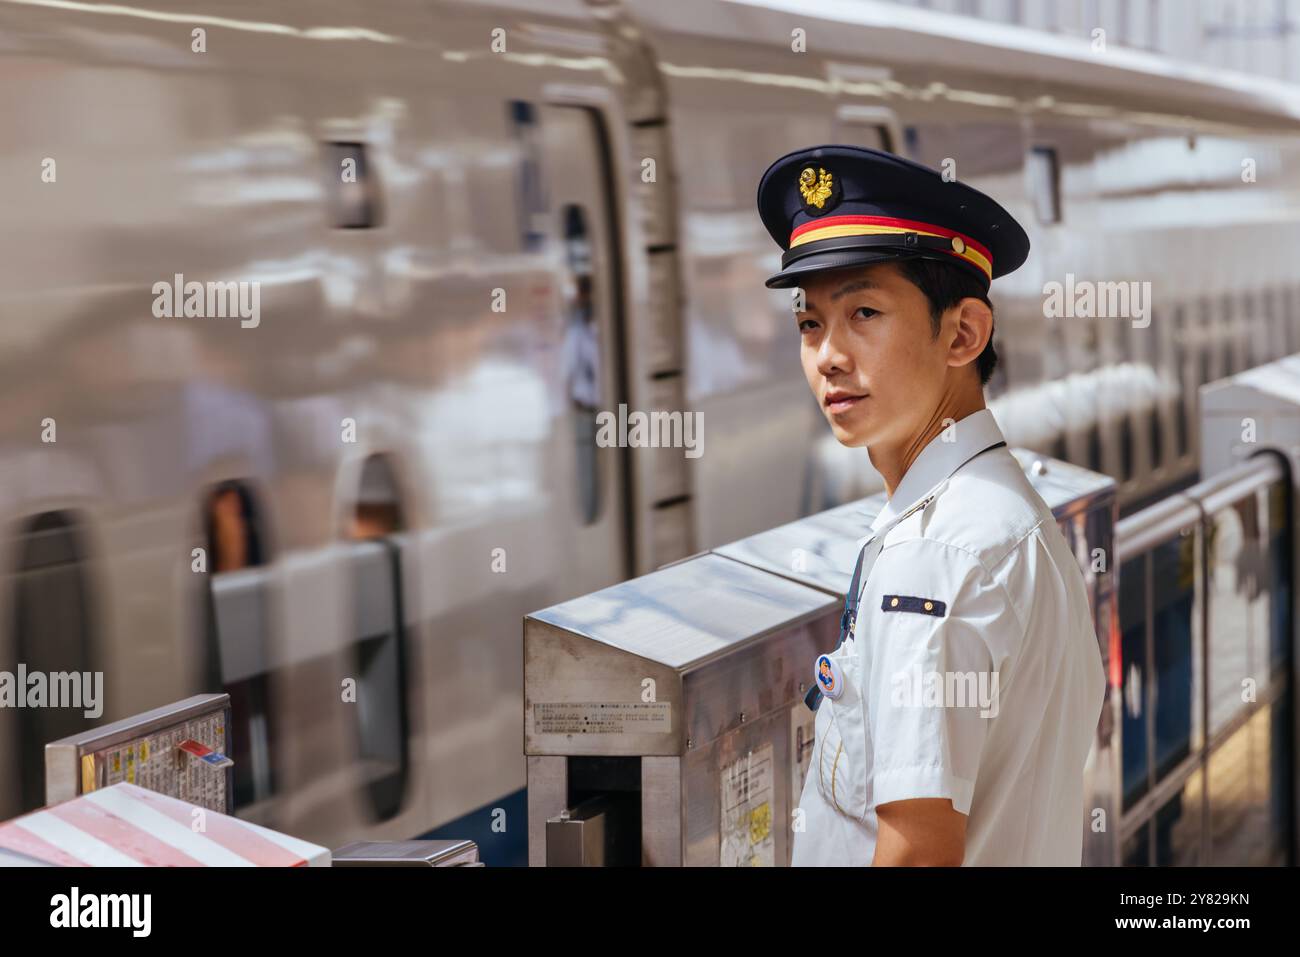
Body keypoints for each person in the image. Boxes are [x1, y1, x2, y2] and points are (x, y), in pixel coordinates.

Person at [755, 145, 1106, 866]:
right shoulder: (1011, 518)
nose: (827, 355)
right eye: (810, 323)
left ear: (963, 333)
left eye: (864, 311)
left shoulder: (934, 555)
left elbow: (916, 853)